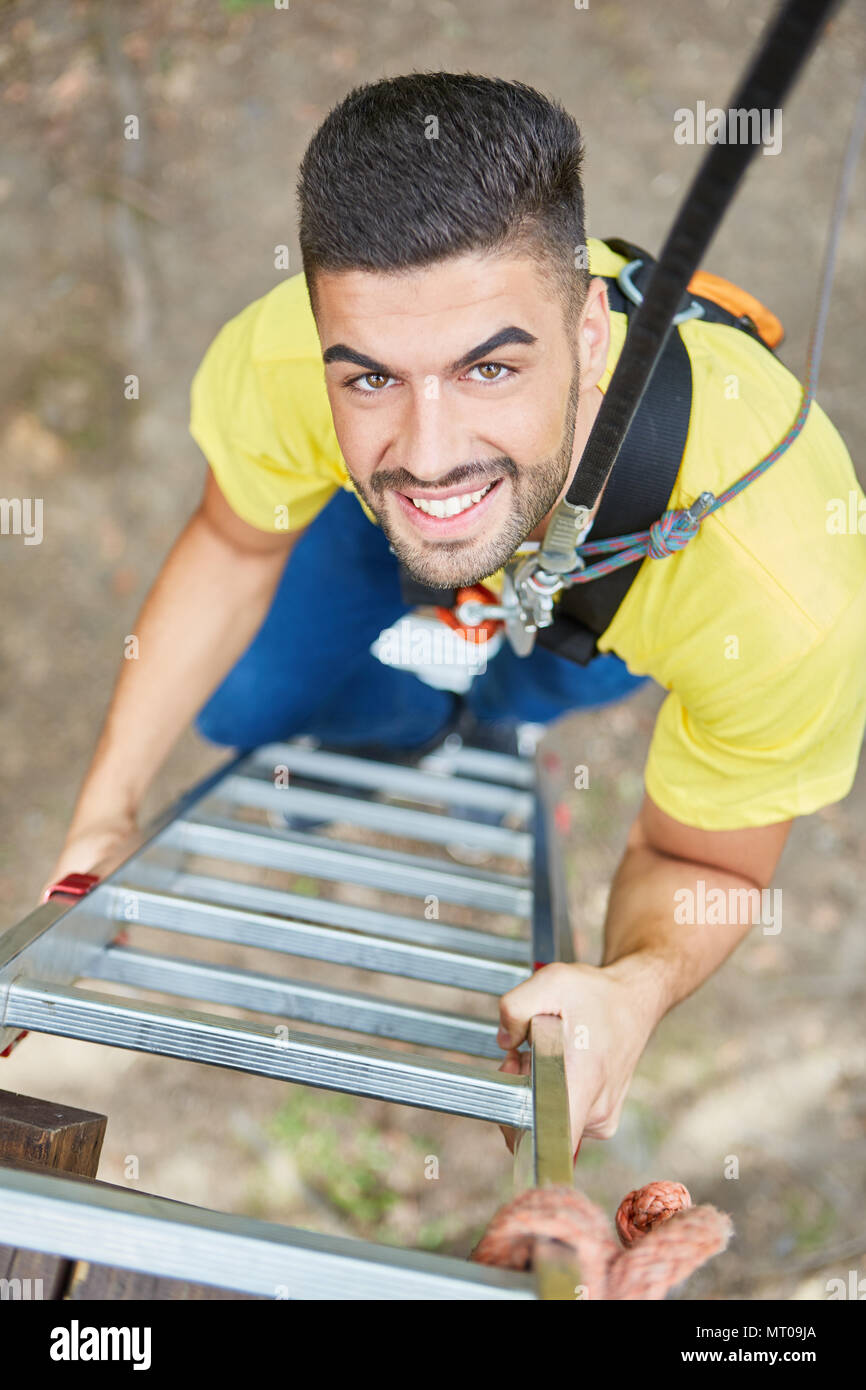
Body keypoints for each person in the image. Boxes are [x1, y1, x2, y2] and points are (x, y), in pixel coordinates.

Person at [49, 73, 866, 1153]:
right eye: (372, 378)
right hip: (363, 516)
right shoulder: (294, 360)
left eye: (490, 365)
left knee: (523, 677)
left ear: (585, 331)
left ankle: (483, 712)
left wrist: (636, 983)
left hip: (626, 582)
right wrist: (107, 806)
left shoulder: (777, 587)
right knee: (250, 701)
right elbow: (235, 542)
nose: (429, 449)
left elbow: (706, 863)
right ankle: (420, 718)